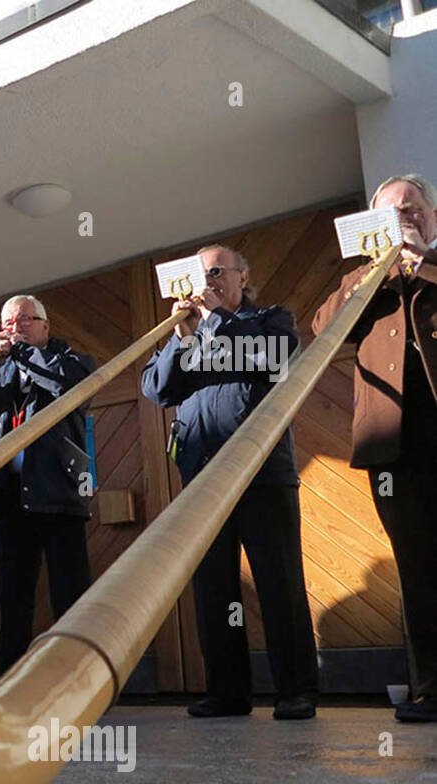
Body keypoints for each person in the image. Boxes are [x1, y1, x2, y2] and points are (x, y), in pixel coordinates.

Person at [142, 245, 318, 720]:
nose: (208, 280)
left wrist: (217, 320)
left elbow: (274, 360)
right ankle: (228, 691)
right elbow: (158, 389)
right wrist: (181, 341)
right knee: (213, 588)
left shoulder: (271, 319)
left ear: (243, 276)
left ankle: (295, 690)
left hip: (260, 472)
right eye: (199, 275)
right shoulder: (189, 334)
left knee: (279, 583)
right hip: (202, 477)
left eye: (217, 271)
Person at [313, 173, 437, 723]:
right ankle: (431, 687)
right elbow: (325, 331)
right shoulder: (364, 279)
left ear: (431, 213)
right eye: (392, 212)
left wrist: (420, 262)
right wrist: (373, 273)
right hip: (396, 447)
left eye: (412, 207)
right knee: (418, 567)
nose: (404, 216)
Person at [0, 296, 95, 680]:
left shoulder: (71, 360)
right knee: (13, 600)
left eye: (25, 320)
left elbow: (71, 388)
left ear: (45, 326)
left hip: (59, 496)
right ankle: (9, 681)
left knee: (71, 597)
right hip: (9, 498)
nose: (15, 327)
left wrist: (25, 355)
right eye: (9, 322)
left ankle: (78, 680)